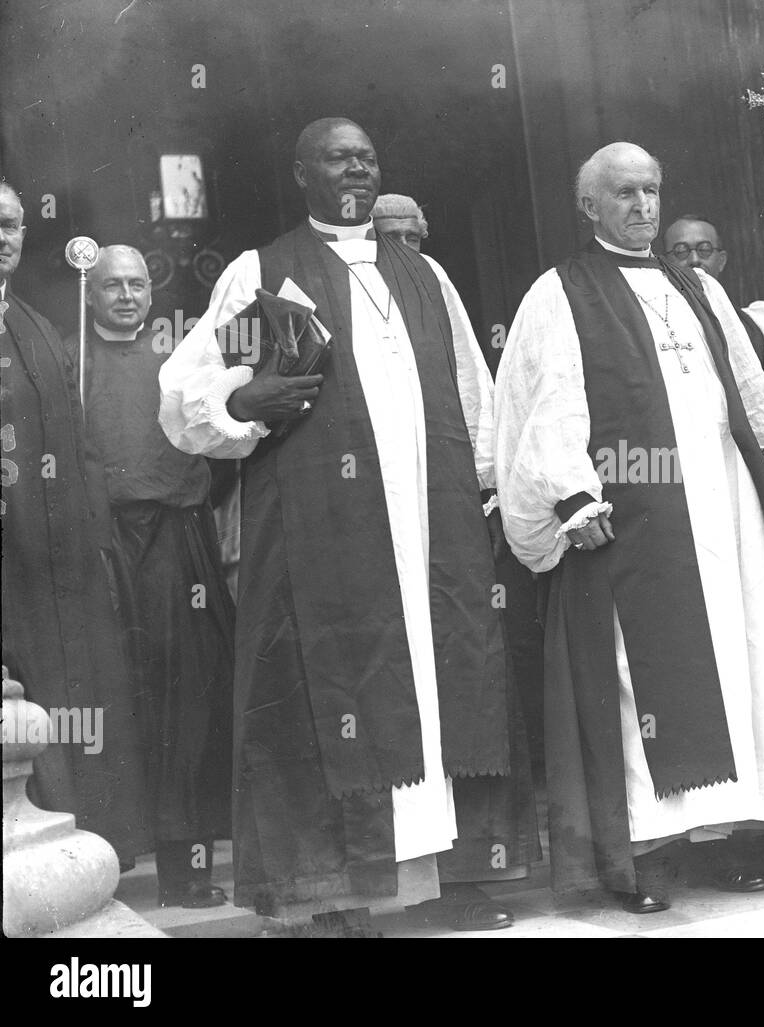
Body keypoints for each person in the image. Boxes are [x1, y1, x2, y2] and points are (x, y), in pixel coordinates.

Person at [159, 119, 532, 932]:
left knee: (435, 696)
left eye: (366, 155)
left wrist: (489, 496)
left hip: (427, 532)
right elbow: (185, 395)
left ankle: (434, 886)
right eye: (336, 156)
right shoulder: (272, 278)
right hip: (322, 538)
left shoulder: (424, 274)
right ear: (302, 173)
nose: (355, 168)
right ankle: (329, 898)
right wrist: (238, 402)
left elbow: (474, 393)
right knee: (332, 696)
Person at [495, 142, 764, 913]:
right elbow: (545, 402)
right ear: (589, 207)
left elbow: (751, 392)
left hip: (729, 510)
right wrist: (573, 497)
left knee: (744, 659)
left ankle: (742, 835)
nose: (643, 206)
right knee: (647, 676)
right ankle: (648, 852)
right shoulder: (559, 292)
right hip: (637, 523)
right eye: (626, 193)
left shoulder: (697, 284)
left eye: (652, 190)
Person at [372, 192, 541, 929]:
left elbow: (477, 395)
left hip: (447, 524)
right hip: (371, 527)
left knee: (462, 689)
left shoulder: (434, 286)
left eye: (413, 233)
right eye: (388, 235)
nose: (402, 247)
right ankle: (381, 882)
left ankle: (468, 872)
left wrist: (486, 491)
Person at [67, 244, 234, 908]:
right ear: (91, 293)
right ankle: (105, 864)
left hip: (173, 539)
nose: (128, 295)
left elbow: (221, 442)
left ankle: (185, 867)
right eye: (113, 285)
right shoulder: (67, 365)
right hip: (103, 546)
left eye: (138, 283)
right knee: (110, 701)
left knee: (183, 702)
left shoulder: (181, 363)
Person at [0, 181, 151, 865]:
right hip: (10, 557)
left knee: (77, 697)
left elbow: (80, 440)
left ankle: (87, 848)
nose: (3, 240)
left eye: (11, 227)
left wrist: (95, 536)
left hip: (61, 557)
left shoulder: (31, 325)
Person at [662, 214, 764, 374]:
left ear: (721, 261)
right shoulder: (658, 325)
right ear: (665, 264)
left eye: (704, 250)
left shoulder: (763, 323)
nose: (694, 259)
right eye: (681, 251)